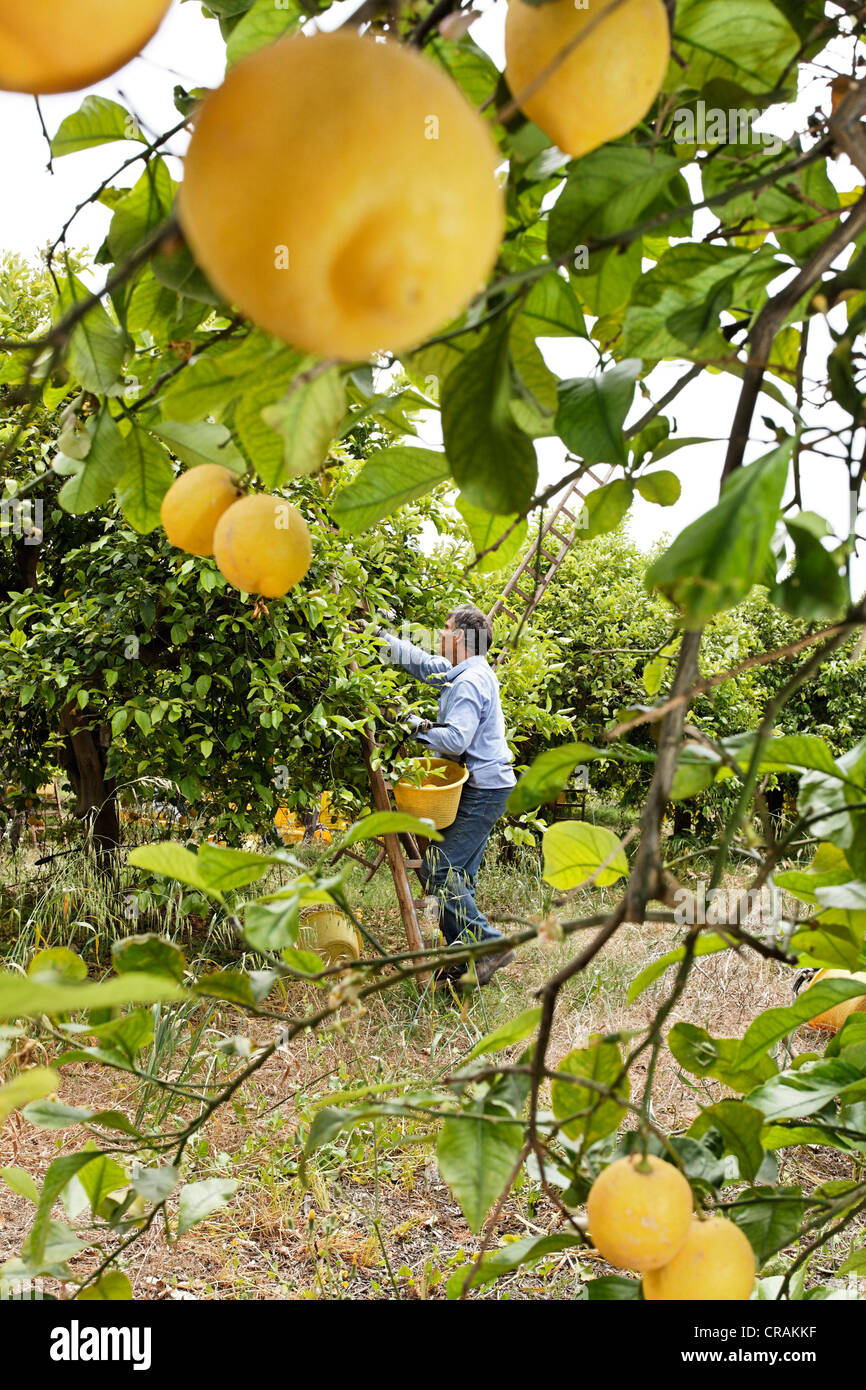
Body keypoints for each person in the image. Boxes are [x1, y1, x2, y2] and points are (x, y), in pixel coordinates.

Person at [377, 604, 516, 989]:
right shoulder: (464, 673)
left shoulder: (471, 681)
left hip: (483, 790)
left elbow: (456, 738)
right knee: (460, 878)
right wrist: (379, 640)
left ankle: (490, 945)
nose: (439, 634)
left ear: (459, 637)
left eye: (445, 628)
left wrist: (411, 724)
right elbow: (423, 664)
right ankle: (464, 958)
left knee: (437, 869)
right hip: (487, 786)